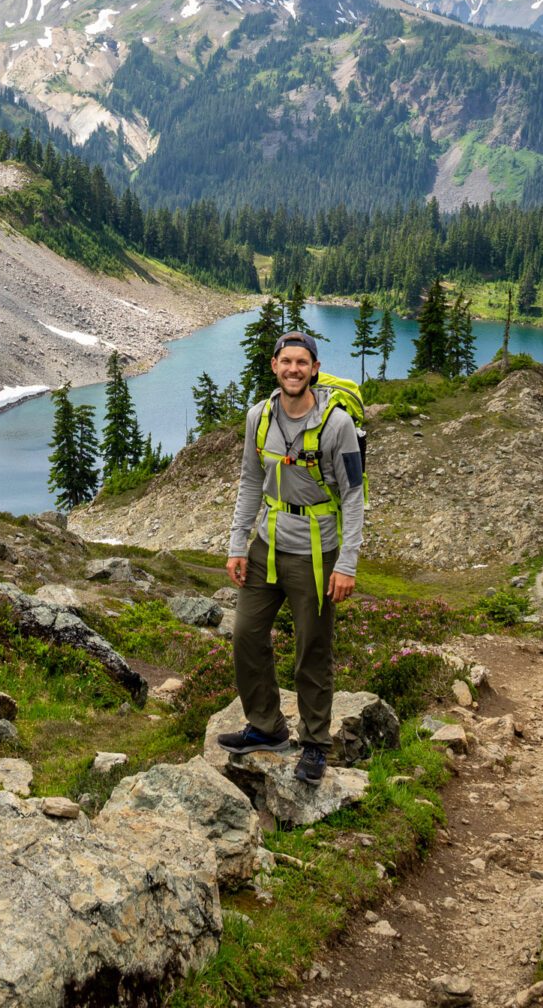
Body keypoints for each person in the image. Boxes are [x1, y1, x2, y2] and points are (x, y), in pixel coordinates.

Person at [217, 329, 364, 784]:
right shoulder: (259, 417)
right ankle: (266, 726)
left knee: (312, 649)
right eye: (287, 362)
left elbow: (355, 497)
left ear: (315, 369)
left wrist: (348, 563)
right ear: (274, 367)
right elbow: (248, 480)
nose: (294, 369)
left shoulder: (336, 424)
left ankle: (316, 743)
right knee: (245, 634)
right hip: (267, 544)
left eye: (303, 363)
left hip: (317, 550)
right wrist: (238, 544)